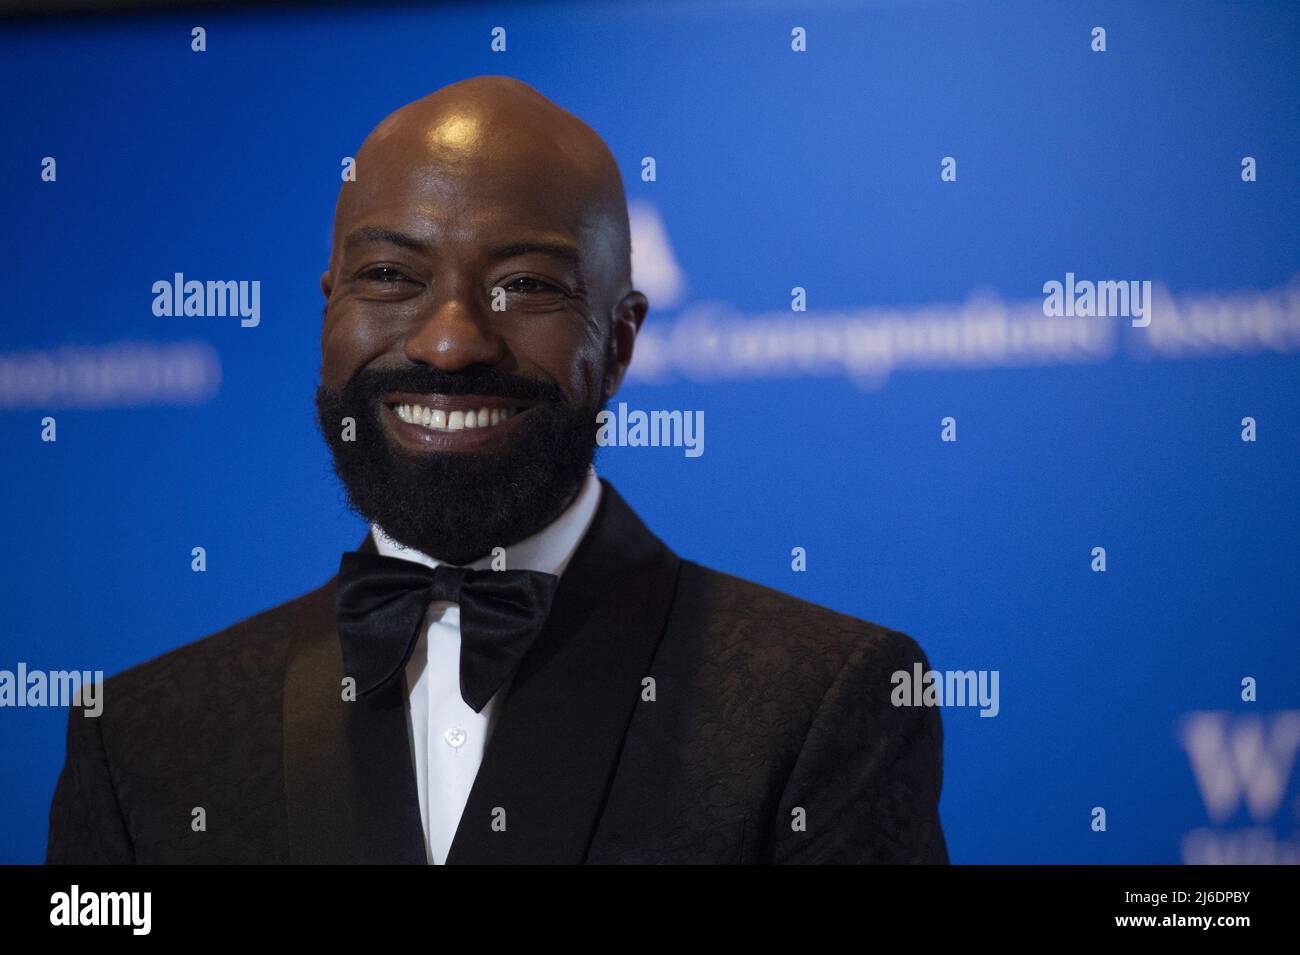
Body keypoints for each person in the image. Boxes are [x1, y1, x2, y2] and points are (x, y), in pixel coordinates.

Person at [46, 75, 948, 864]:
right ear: (329, 312)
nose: (449, 343)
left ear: (621, 340)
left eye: (524, 285)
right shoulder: (140, 738)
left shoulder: (824, 704)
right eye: (392, 275)